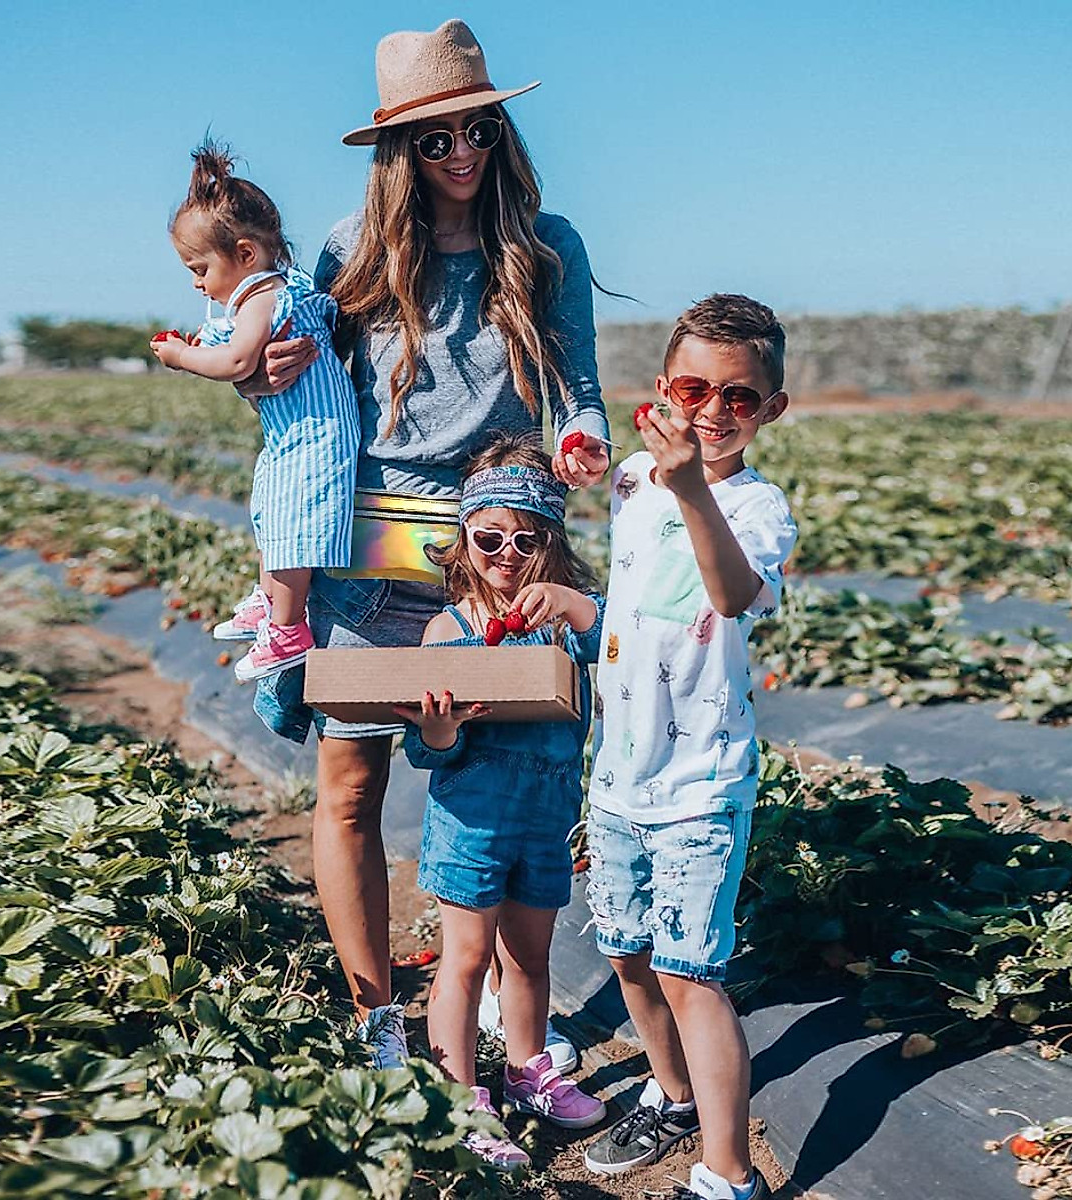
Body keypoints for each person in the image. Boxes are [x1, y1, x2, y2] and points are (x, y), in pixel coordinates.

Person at [243, 19, 611, 1069]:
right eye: (436, 138)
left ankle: (499, 991)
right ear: (398, 150)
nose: (460, 153)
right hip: (370, 559)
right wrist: (261, 375)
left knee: (500, 777)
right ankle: (376, 1013)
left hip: (498, 550)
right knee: (352, 788)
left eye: (478, 131)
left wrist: (582, 436)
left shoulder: (546, 246)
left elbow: (579, 387)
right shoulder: (349, 251)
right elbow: (302, 395)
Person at [581, 295, 797, 1200]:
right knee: (626, 953)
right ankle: (671, 1095)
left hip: (701, 782)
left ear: (770, 409)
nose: (713, 410)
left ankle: (727, 1175)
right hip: (617, 773)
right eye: (693, 389)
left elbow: (732, 594)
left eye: (738, 397)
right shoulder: (634, 479)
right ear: (664, 389)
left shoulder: (757, 506)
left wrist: (693, 488)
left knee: (690, 974)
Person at [393, 433, 607, 1168]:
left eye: (526, 538)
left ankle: (526, 1072)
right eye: (489, 537)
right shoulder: (447, 631)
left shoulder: (564, 628)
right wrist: (440, 729)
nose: (507, 553)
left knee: (530, 957)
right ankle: (460, 1102)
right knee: (466, 958)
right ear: (464, 540)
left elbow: (628, 643)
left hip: (547, 817)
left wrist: (576, 605)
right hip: (471, 822)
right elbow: (426, 750)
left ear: (550, 543)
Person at [151, 140, 359, 683]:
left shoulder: (263, 295)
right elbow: (243, 359)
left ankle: (288, 629)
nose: (196, 282)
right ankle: (270, 602)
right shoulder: (257, 296)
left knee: (291, 524)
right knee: (270, 510)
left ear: (245, 254)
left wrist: (182, 358)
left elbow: (240, 359)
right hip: (294, 432)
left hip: (316, 434)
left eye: (200, 268)